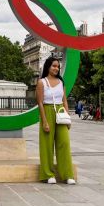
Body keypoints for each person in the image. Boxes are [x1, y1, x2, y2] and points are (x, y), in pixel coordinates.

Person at [36, 56, 75, 184]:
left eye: (58, 66)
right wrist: (45, 121)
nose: (56, 68)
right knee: (47, 145)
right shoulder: (42, 82)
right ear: (48, 66)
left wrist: (68, 117)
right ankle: (48, 174)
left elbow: (64, 101)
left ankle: (68, 174)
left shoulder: (61, 82)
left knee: (64, 143)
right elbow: (40, 103)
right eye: (54, 66)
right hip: (47, 111)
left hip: (60, 112)